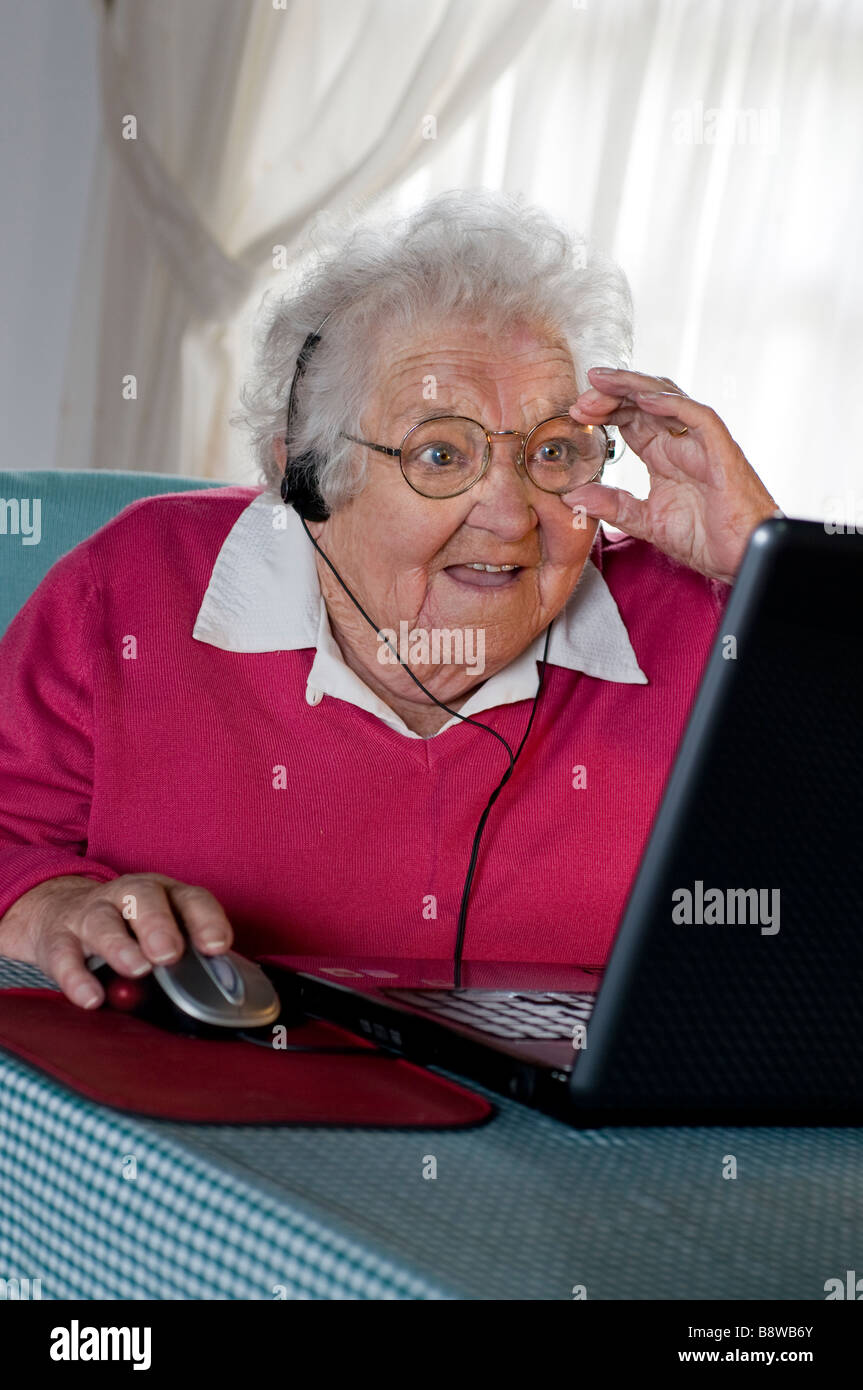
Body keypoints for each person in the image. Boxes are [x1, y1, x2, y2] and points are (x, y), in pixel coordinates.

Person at [0, 191, 777, 1008]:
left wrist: (774, 572)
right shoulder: (135, 584)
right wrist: (52, 902)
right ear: (306, 475)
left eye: (553, 451)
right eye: (440, 453)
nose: (511, 515)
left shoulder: (713, 618)